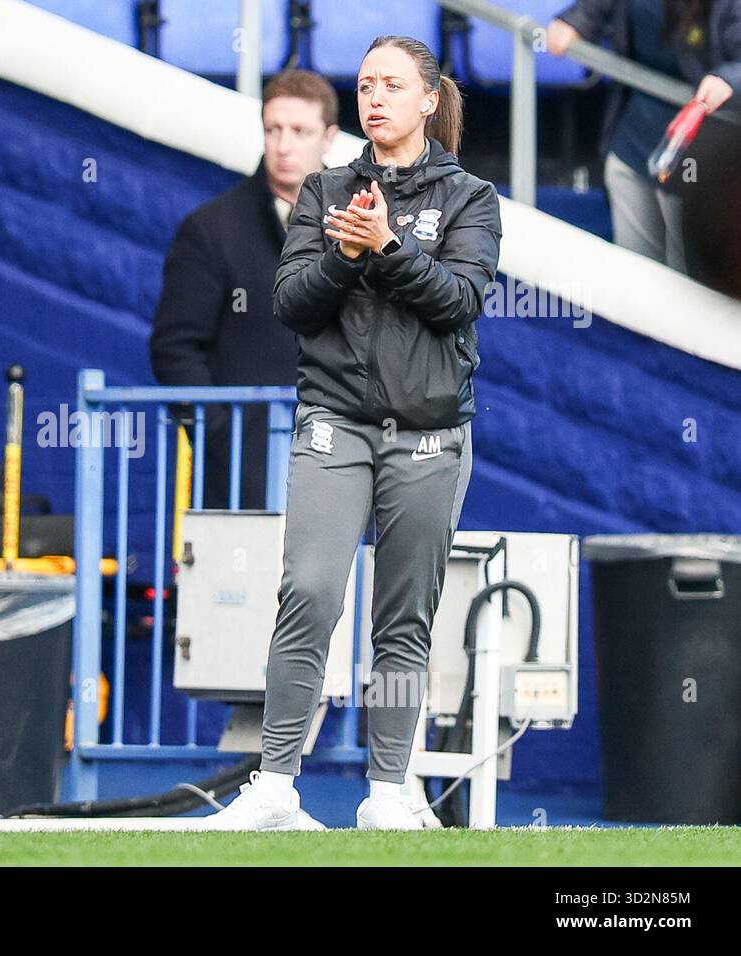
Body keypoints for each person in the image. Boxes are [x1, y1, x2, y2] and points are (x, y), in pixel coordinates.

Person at [202, 36, 502, 830]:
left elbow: (460, 302)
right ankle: (274, 787)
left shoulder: (472, 198)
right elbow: (293, 302)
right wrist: (345, 253)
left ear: (428, 100)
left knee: (403, 619)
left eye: (392, 85)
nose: (374, 98)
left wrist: (391, 248)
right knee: (308, 590)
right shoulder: (325, 188)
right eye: (365, 84)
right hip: (334, 421)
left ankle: (387, 793)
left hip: (431, 434)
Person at [150, 70, 337, 510]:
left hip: (346, 457)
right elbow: (174, 350)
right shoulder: (211, 229)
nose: (283, 145)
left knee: (346, 581)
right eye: (272, 129)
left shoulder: (366, 216)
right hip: (241, 474)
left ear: (329, 137)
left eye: (300, 131)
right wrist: (222, 437)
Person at [546, 0, 740, 273]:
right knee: (635, 274)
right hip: (632, 142)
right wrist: (576, 19)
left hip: (698, 157)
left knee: (690, 283)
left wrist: (731, 78)